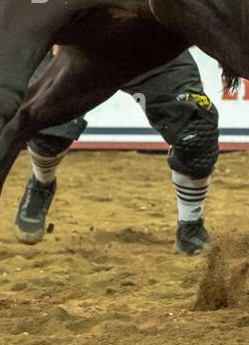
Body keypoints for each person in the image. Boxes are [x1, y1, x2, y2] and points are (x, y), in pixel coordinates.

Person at [13, 51, 220, 257]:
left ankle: (190, 225)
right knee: (48, 132)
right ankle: (42, 181)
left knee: (195, 132)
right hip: (78, 42)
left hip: (150, 39)